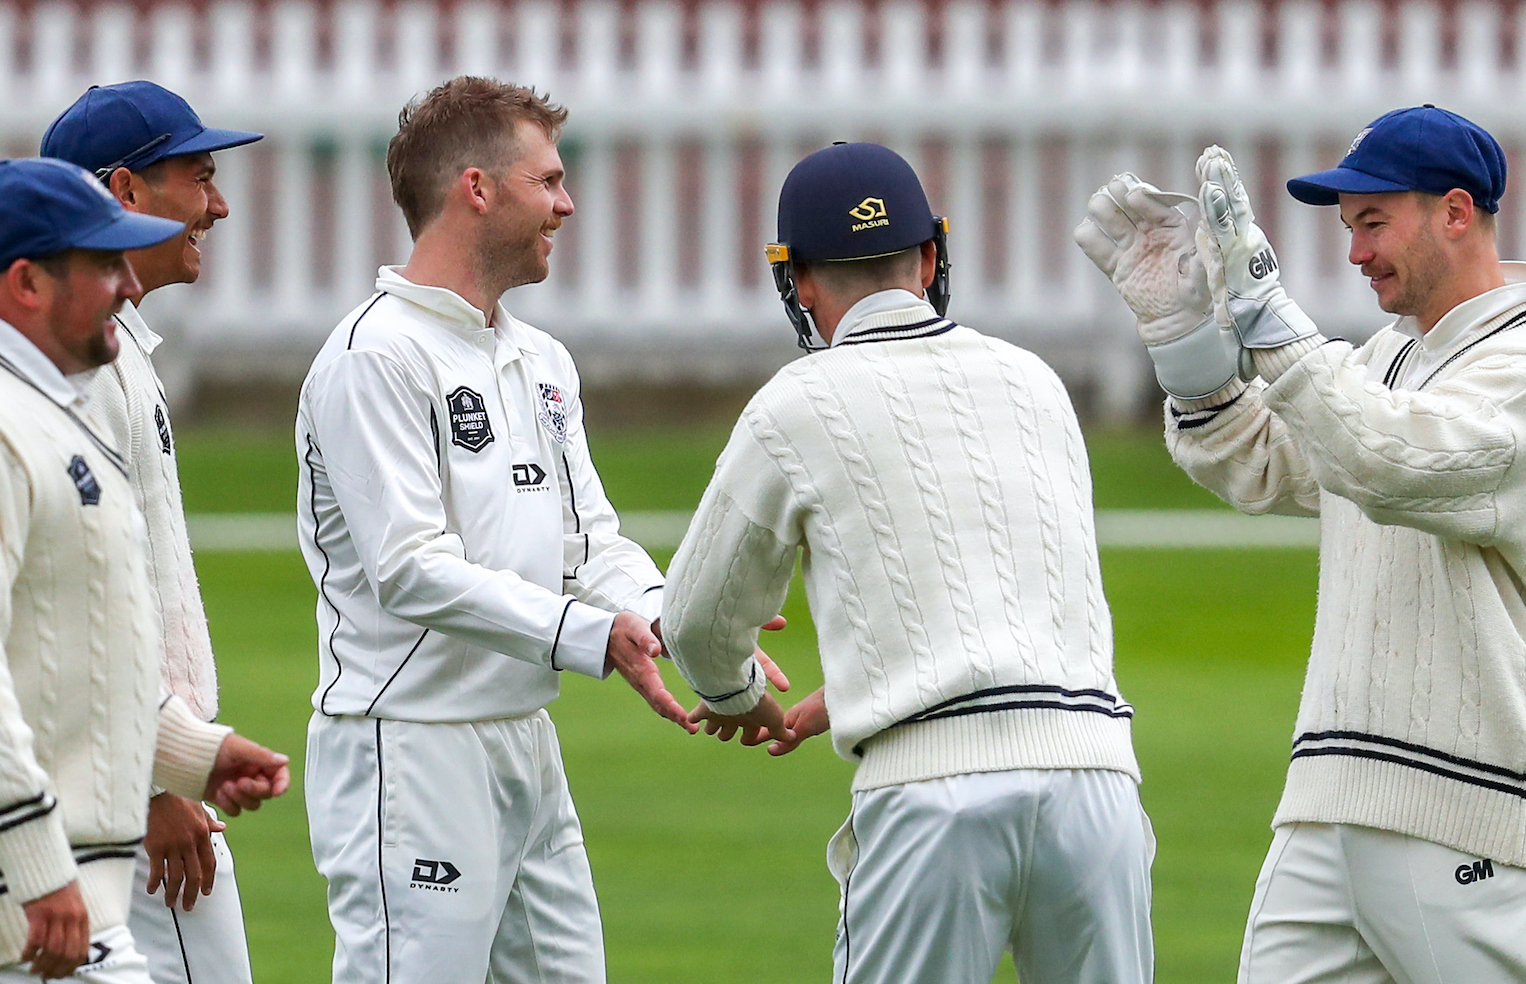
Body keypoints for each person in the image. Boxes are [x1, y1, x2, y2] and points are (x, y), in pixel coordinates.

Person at [295, 76, 786, 984]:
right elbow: (408, 569)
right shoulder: (374, 357)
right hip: (409, 740)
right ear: (476, 189)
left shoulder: (539, 357)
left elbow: (586, 540)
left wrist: (671, 620)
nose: (567, 203)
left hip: (523, 737)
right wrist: (591, 636)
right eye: (549, 180)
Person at [1076, 105, 1526, 984]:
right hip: (1327, 803)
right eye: (1349, 230)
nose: (1355, 254)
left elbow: (1384, 459)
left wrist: (1269, 314)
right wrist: (1186, 340)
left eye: (1373, 224)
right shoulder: (1384, 359)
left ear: (1455, 213)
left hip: (1471, 807)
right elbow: (1266, 463)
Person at [662, 142, 1154, 984]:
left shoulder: (794, 403)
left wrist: (737, 696)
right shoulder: (1034, 381)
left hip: (930, 789)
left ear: (801, 283)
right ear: (929, 258)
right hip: (1094, 779)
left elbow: (696, 621)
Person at [0, 157, 289, 983]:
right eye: (102, 264)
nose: (129, 283)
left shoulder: (61, 409)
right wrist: (36, 868)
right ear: (26, 283)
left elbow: (75, 646)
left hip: (75, 893)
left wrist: (195, 753)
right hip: (40, 903)